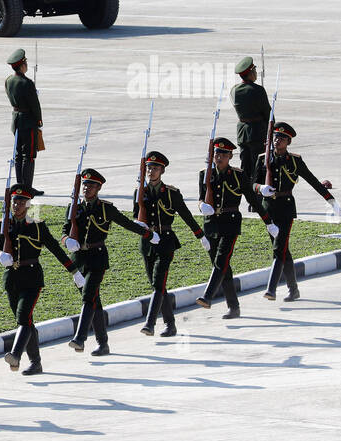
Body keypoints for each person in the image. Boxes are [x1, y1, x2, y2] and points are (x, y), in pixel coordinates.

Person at [62, 169, 157, 355]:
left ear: (98, 188)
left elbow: (127, 224)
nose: (86, 188)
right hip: (79, 260)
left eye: (91, 185)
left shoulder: (106, 208)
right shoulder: (74, 207)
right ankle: (103, 343)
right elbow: (65, 230)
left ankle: (80, 338)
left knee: (88, 297)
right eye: (85, 185)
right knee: (94, 301)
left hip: (97, 258)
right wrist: (67, 241)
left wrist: (148, 234)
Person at [0, 185, 76, 374]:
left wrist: (73, 271)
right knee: (26, 321)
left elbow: (55, 248)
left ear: (28, 205)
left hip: (32, 278)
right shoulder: (3, 223)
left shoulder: (37, 226)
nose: (17, 205)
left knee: (24, 317)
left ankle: (15, 354)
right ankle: (36, 362)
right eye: (15, 201)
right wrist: (0, 255)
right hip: (12, 278)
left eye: (22, 202)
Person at [255, 123, 338, 301]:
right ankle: (294, 290)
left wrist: (330, 200)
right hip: (268, 209)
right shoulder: (263, 158)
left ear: (288, 142)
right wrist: (260, 188)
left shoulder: (294, 161)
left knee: (279, 249)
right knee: (283, 250)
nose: (278, 140)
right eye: (276, 137)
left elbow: (313, 180)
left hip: (285, 208)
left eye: (282, 138)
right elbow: (250, 183)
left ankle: (271, 289)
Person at [196, 137, 276, 318]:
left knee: (221, 261)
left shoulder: (238, 175)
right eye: (217, 153)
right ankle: (234, 307)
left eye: (223, 154)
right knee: (223, 268)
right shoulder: (205, 173)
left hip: (230, 223)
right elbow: (201, 197)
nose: (219, 157)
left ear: (231, 156)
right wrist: (201, 206)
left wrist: (268, 222)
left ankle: (207, 296)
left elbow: (253, 200)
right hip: (210, 224)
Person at [135, 151, 205, 337]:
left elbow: (186, 215)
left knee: (159, 283)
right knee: (157, 284)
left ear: (162, 171)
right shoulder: (139, 192)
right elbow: (136, 217)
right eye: (149, 168)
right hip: (148, 243)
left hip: (165, 241)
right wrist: (143, 229)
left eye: (155, 168)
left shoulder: (171, 193)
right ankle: (170, 324)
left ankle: (150, 324)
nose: (151, 171)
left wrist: (200, 235)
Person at [231, 56, 270, 208]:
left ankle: (244, 198)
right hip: (257, 132)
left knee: (245, 168)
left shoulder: (234, 90)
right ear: (250, 72)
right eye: (254, 70)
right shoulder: (258, 90)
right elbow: (267, 113)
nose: (256, 73)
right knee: (257, 167)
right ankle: (255, 201)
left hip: (242, 133)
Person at [5, 49, 43, 193]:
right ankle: (27, 188)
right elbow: (34, 105)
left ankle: (19, 185)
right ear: (22, 65)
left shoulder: (8, 80)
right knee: (29, 155)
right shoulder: (27, 83)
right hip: (28, 121)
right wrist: (39, 119)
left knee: (18, 155)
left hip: (16, 120)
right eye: (25, 63)